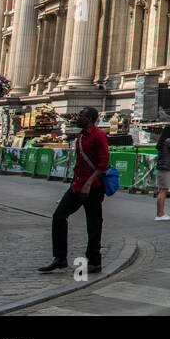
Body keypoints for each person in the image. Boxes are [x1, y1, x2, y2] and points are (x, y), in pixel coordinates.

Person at [39, 107, 109, 274]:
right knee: (59, 216)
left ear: (90, 119)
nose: (78, 118)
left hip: (93, 188)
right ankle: (60, 257)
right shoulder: (80, 136)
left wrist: (89, 183)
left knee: (93, 224)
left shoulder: (98, 135)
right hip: (77, 185)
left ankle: (94, 261)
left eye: (82, 116)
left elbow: (103, 163)